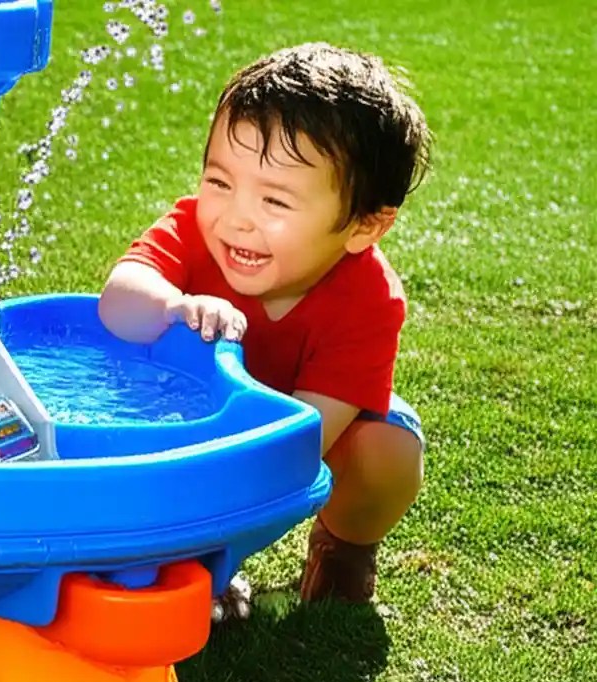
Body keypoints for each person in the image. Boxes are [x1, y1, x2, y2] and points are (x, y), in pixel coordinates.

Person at [98, 42, 432, 610]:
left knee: (388, 452)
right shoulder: (193, 230)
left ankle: (344, 548)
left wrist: (219, 554)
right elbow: (116, 303)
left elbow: (297, 448)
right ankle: (176, 550)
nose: (236, 219)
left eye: (275, 201)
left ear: (363, 226)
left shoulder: (369, 298)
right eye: (220, 183)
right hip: (189, 412)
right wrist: (172, 308)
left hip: (300, 419)